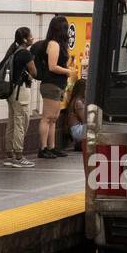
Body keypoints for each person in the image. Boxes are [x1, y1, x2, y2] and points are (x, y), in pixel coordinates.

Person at [36, 15, 72, 159]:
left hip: (57, 85)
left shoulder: (58, 43)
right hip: (51, 84)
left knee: (54, 118)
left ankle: (51, 147)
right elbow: (52, 66)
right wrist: (68, 71)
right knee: (47, 117)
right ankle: (43, 148)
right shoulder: (53, 44)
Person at [2, 27, 37, 168]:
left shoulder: (14, 51)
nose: (32, 38)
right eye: (31, 36)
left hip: (11, 92)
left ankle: (10, 155)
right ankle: (19, 156)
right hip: (20, 92)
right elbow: (34, 72)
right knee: (21, 122)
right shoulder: (25, 54)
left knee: (12, 122)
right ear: (24, 39)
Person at [66, 78, 88, 151]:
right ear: (82, 90)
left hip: (77, 130)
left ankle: (82, 144)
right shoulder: (78, 102)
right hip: (77, 130)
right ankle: (82, 144)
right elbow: (85, 119)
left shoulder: (77, 100)